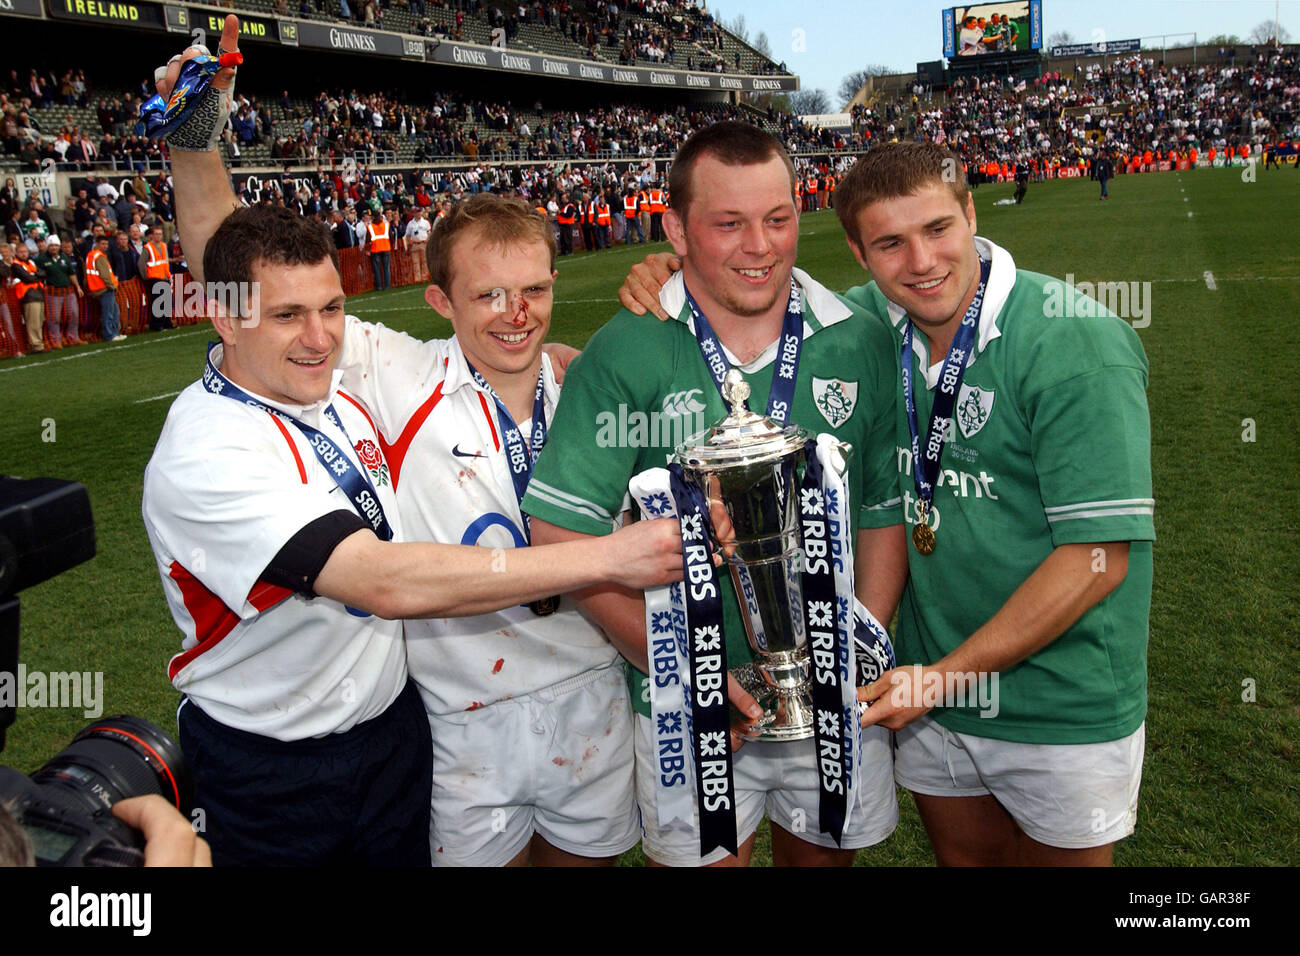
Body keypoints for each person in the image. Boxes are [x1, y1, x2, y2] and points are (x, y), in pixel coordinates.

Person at [144, 23, 689, 867]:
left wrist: (669, 275)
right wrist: (195, 148)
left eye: (535, 290)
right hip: (452, 713)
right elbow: (242, 272)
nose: (516, 313)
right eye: (489, 294)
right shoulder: (391, 372)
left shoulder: (587, 380)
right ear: (439, 299)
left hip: (561, 696)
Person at [523, 122, 907, 867]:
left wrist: (854, 651)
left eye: (778, 218)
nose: (759, 246)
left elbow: (882, 512)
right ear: (675, 228)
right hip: (690, 713)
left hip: (835, 699)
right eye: (728, 224)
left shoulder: (857, 337)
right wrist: (683, 667)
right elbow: (558, 538)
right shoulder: (626, 347)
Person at [831, 142, 1153, 866]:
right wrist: (666, 279)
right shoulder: (866, 326)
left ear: (971, 212)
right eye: (890, 242)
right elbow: (749, 305)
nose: (920, 262)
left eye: (939, 229)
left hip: (1058, 698)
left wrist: (946, 676)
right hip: (928, 691)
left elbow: (1097, 561)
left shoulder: (1076, 340)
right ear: (858, 252)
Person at [35, 235, 83, 345]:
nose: (54, 248)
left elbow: (71, 273)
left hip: (68, 290)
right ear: (48, 246)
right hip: (53, 291)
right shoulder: (41, 259)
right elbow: (37, 275)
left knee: (74, 314)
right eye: (51, 245)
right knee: (54, 317)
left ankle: (73, 337)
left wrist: (77, 286)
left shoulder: (64, 257)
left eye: (56, 245)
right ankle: (55, 339)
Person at [86, 233, 126, 342]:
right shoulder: (99, 257)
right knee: (109, 312)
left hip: (100, 288)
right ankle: (109, 334)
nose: (105, 246)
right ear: (97, 244)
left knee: (113, 312)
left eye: (106, 244)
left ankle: (114, 333)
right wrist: (112, 286)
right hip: (104, 288)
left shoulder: (93, 255)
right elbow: (105, 275)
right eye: (103, 244)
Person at [9, 241, 44, 352]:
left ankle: (39, 343)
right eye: (21, 252)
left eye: (25, 252)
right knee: (33, 322)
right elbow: (27, 278)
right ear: (16, 253)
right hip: (28, 295)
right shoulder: (15, 265)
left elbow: (43, 273)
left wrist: (34, 275)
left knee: (39, 321)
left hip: (38, 294)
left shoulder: (31, 262)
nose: (23, 254)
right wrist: (35, 275)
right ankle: (35, 345)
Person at [140, 224, 175, 330]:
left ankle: (167, 322)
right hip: (155, 277)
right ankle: (157, 324)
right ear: (152, 235)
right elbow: (141, 263)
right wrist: (146, 277)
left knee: (166, 301)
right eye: (156, 234)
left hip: (164, 276)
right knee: (158, 302)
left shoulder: (164, 246)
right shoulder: (148, 248)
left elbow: (165, 262)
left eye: (160, 234)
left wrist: (168, 275)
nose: (158, 236)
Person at [362, 208, 392, 290]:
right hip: (386, 247)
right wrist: (391, 246)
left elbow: (367, 240)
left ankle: (379, 286)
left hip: (375, 249)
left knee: (377, 269)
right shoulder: (386, 225)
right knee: (386, 268)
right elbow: (391, 237)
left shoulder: (370, 226)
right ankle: (387, 285)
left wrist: (367, 249)